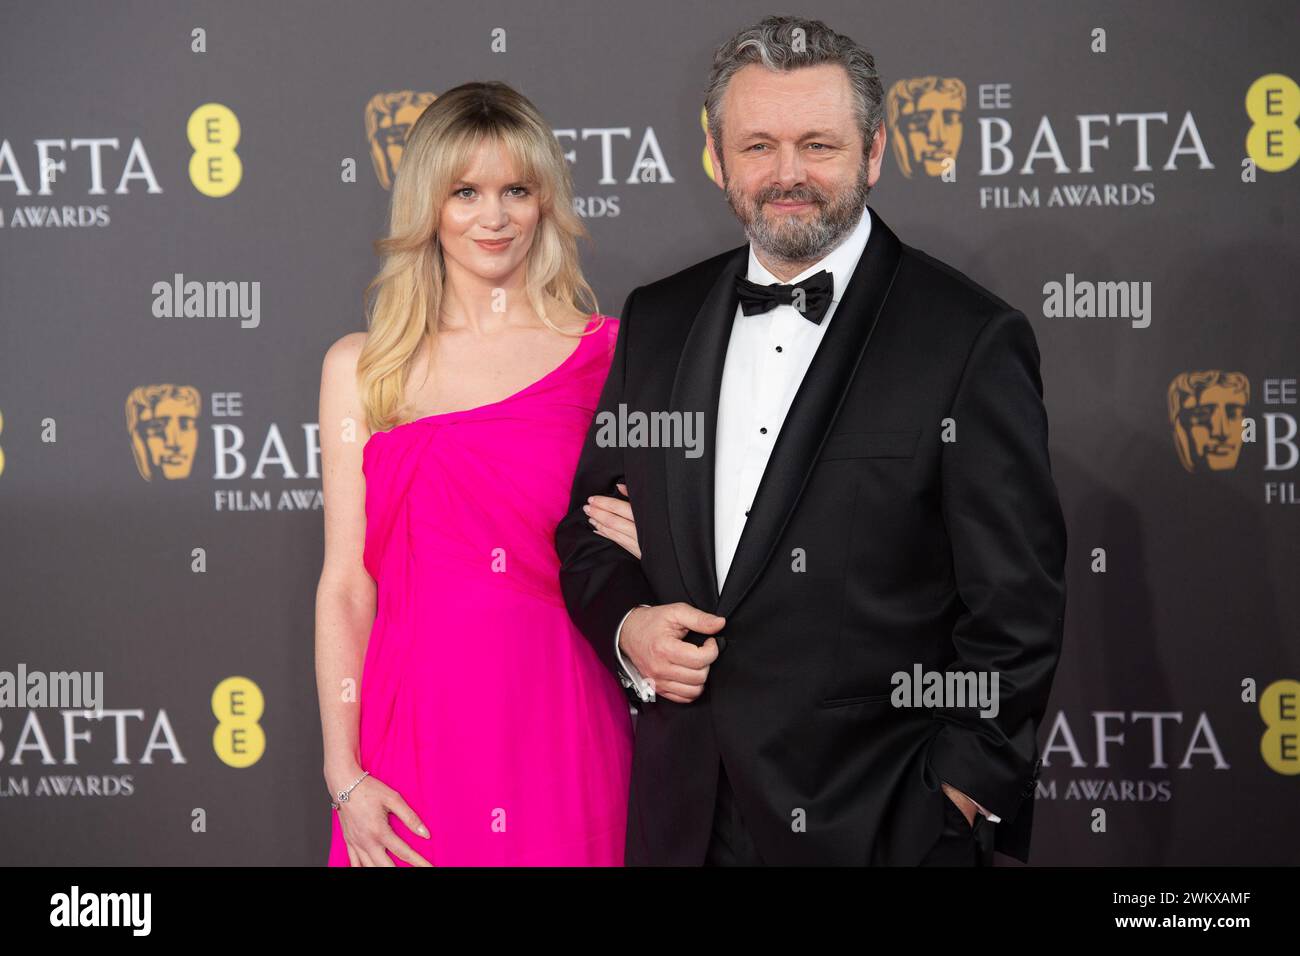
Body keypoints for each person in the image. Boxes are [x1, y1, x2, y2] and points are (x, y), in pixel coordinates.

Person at [561, 15, 1067, 866]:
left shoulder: (967, 338)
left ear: (873, 153)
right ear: (717, 159)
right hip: (685, 815)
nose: (787, 174)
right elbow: (586, 530)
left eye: (817, 145)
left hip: (879, 821)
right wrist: (630, 628)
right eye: (758, 145)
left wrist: (956, 793)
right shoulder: (658, 319)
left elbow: (1016, 609)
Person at [315, 81, 632, 866]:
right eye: (465, 192)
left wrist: (656, 536)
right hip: (412, 736)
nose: (493, 217)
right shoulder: (362, 368)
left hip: (564, 718)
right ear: (429, 204)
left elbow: (669, 549)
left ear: (544, 202)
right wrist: (344, 773)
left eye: (515, 190)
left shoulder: (610, 354)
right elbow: (347, 586)